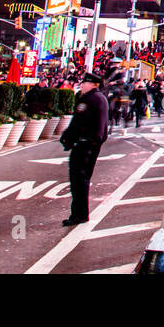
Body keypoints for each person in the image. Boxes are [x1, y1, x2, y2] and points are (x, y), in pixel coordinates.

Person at [60, 72, 110, 227]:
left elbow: (78, 123)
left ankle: (79, 214)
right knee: (82, 180)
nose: (81, 85)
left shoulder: (89, 100)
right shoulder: (100, 98)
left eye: (84, 83)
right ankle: (79, 213)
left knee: (78, 180)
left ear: (93, 84)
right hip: (91, 144)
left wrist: (68, 139)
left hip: (84, 144)